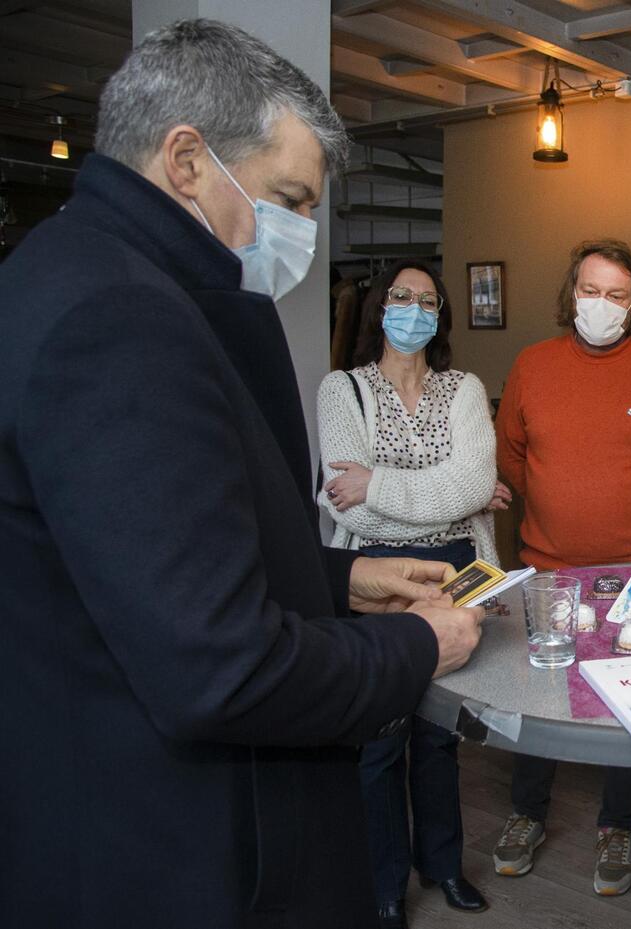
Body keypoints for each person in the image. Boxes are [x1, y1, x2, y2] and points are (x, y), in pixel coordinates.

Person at [0, 20, 483, 928]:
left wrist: (342, 578)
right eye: (289, 197)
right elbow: (219, 664)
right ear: (187, 159)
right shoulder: (118, 320)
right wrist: (420, 646)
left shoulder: (76, 271)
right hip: (176, 858)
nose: (300, 232)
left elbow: (152, 559)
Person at [492, 239, 631, 896]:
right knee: (542, 697)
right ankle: (527, 813)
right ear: (571, 294)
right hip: (549, 565)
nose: (603, 304)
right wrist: (566, 506)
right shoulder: (533, 365)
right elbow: (512, 456)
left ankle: (618, 824)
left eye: (618, 293)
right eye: (592, 290)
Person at [318, 259, 507, 928]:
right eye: (402, 295)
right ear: (380, 306)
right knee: (379, 736)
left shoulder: (463, 388)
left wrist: (383, 484)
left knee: (438, 732)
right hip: (373, 576)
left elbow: (473, 484)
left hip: (458, 573)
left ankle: (446, 866)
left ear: (441, 315)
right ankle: (385, 885)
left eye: (427, 299)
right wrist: (444, 493)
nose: (413, 308)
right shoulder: (343, 389)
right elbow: (348, 510)